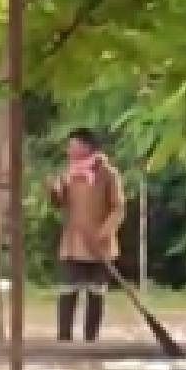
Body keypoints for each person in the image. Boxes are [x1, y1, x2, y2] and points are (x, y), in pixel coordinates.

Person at [48, 128, 125, 342]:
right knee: (67, 291)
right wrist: (54, 191)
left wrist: (104, 232)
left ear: (87, 147)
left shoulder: (108, 173)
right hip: (73, 243)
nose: (69, 150)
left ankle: (91, 341)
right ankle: (64, 340)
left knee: (96, 294)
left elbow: (119, 208)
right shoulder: (68, 173)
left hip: (100, 245)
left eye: (73, 145)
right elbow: (58, 204)